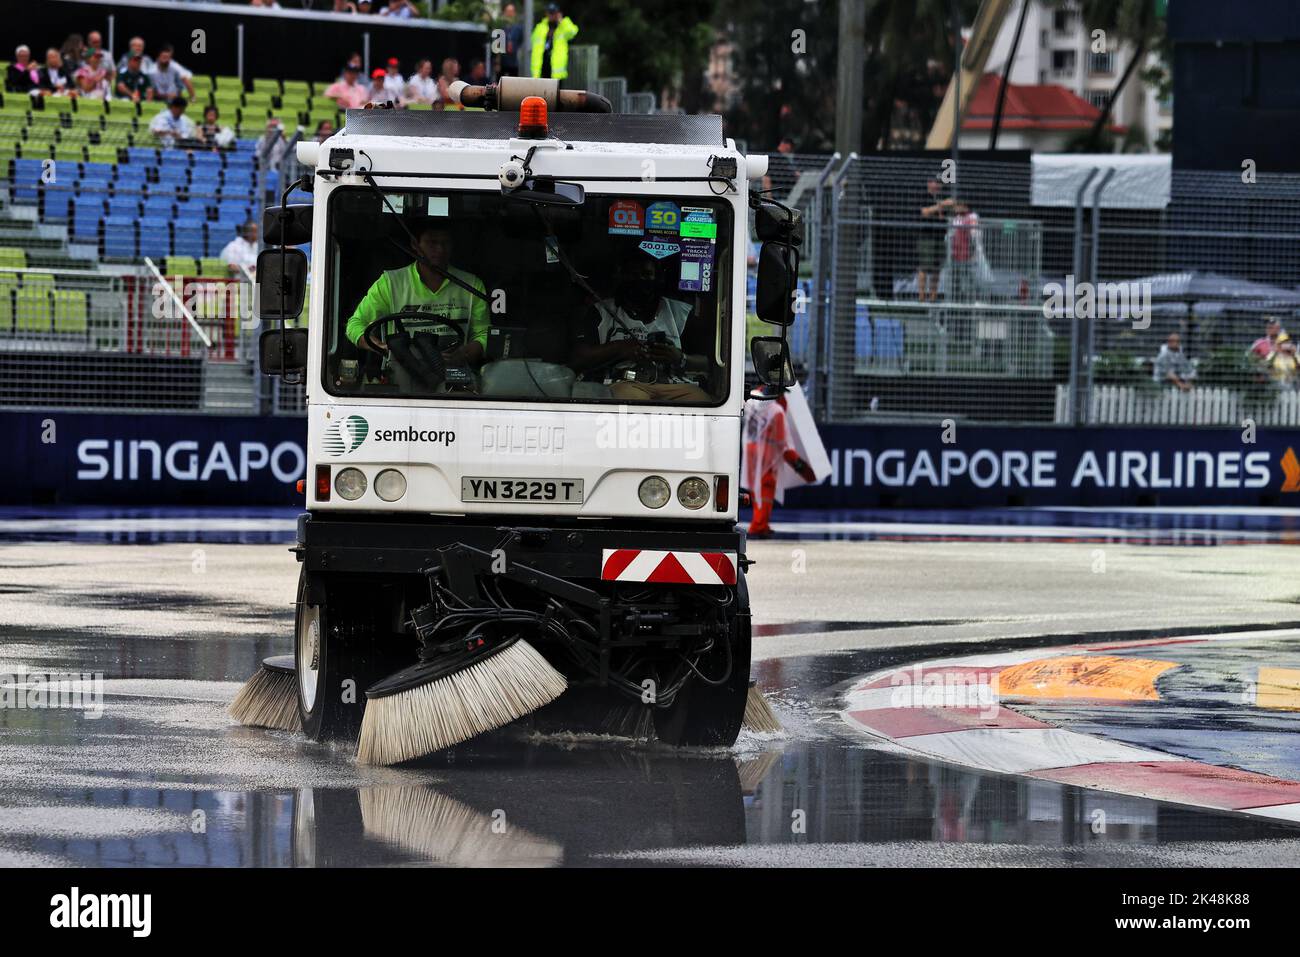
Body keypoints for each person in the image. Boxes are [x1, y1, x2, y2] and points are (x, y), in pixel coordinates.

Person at [347, 221, 490, 372]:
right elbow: (355, 325)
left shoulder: (472, 285)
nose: (440, 249)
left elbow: (485, 334)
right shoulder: (390, 283)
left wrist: (463, 354)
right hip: (403, 375)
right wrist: (384, 348)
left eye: (445, 242)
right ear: (415, 245)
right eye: (432, 242)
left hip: (455, 375)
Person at [570, 250, 710, 403]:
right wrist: (620, 349)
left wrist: (679, 357)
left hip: (675, 385)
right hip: (625, 383)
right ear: (622, 277)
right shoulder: (601, 311)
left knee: (701, 402)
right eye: (633, 274)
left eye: (646, 274)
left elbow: (709, 362)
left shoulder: (681, 312)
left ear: (658, 279)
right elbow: (578, 358)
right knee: (635, 404)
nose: (640, 280)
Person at [741, 382, 827, 537]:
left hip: (750, 449)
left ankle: (761, 523)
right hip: (767, 454)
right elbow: (785, 447)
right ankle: (758, 525)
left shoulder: (752, 402)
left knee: (756, 490)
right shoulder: (777, 411)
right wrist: (805, 470)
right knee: (766, 490)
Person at [917, 178, 951, 303]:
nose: (938, 185)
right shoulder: (923, 197)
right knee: (924, 267)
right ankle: (921, 297)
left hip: (940, 237)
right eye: (935, 182)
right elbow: (924, 212)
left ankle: (933, 297)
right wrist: (940, 206)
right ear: (929, 183)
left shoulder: (941, 198)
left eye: (939, 183)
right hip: (927, 237)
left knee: (937, 268)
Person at [531, 3, 579, 81]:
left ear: (558, 13)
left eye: (553, 13)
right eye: (549, 13)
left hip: (556, 71)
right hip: (541, 67)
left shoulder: (563, 26)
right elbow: (533, 41)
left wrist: (562, 21)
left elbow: (572, 32)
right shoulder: (540, 27)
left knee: (554, 92)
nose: (551, 15)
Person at [499, 3, 524, 77]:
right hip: (502, 61)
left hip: (514, 61)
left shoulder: (519, 28)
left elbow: (520, 41)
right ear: (504, 12)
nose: (510, 13)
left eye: (511, 11)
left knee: (513, 83)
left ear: (514, 13)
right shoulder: (500, 26)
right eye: (508, 11)